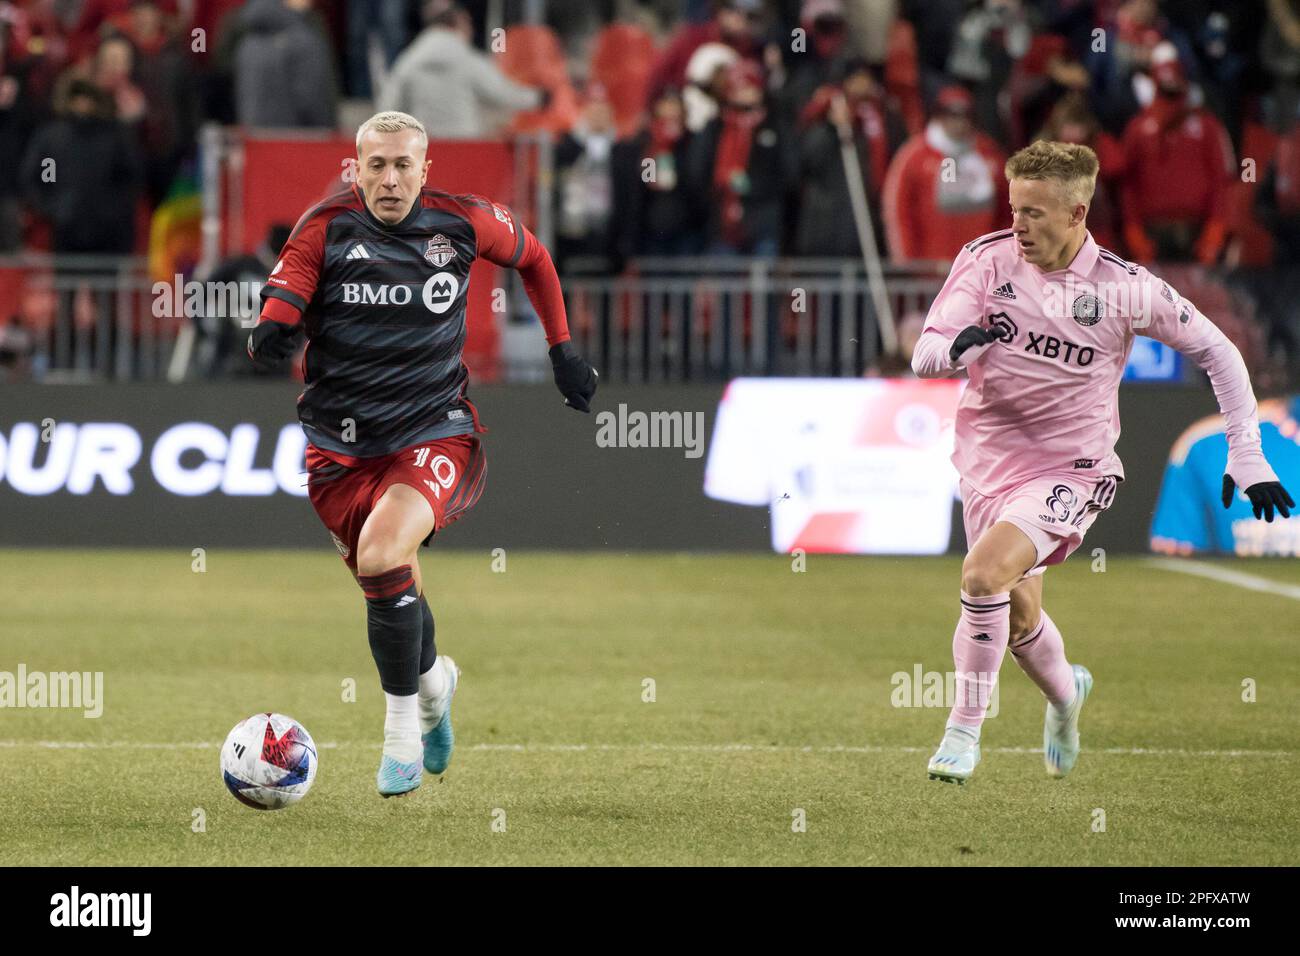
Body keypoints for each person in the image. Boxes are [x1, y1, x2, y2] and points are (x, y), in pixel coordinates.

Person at [911, 140, 1292, 785]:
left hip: (1071, 467)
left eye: (1033, 212)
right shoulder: (985, 261)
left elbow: (1220, 353)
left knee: (981, 577)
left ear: (1077, 212)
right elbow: (925, 351)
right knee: (1018, 613)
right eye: (1014, 209)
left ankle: (962, 730)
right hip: (987, 462)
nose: (1018, 225)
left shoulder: (1124, 288)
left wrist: (1248, 455)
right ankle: (1066, 695)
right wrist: (954, 349)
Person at [246, 111, 598, 797]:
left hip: (434, 431)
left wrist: (563, 350)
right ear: (356, 169)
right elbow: (278, 305)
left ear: (425, 169)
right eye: (375, 165)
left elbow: (535, 258)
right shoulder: (323, 227)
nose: (389, 178)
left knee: (382, 555)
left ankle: (401, 730)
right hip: (338, 452)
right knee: (390, 581)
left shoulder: (462, 221)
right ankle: (437, 685)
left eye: (403, 165)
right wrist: (270, 335)